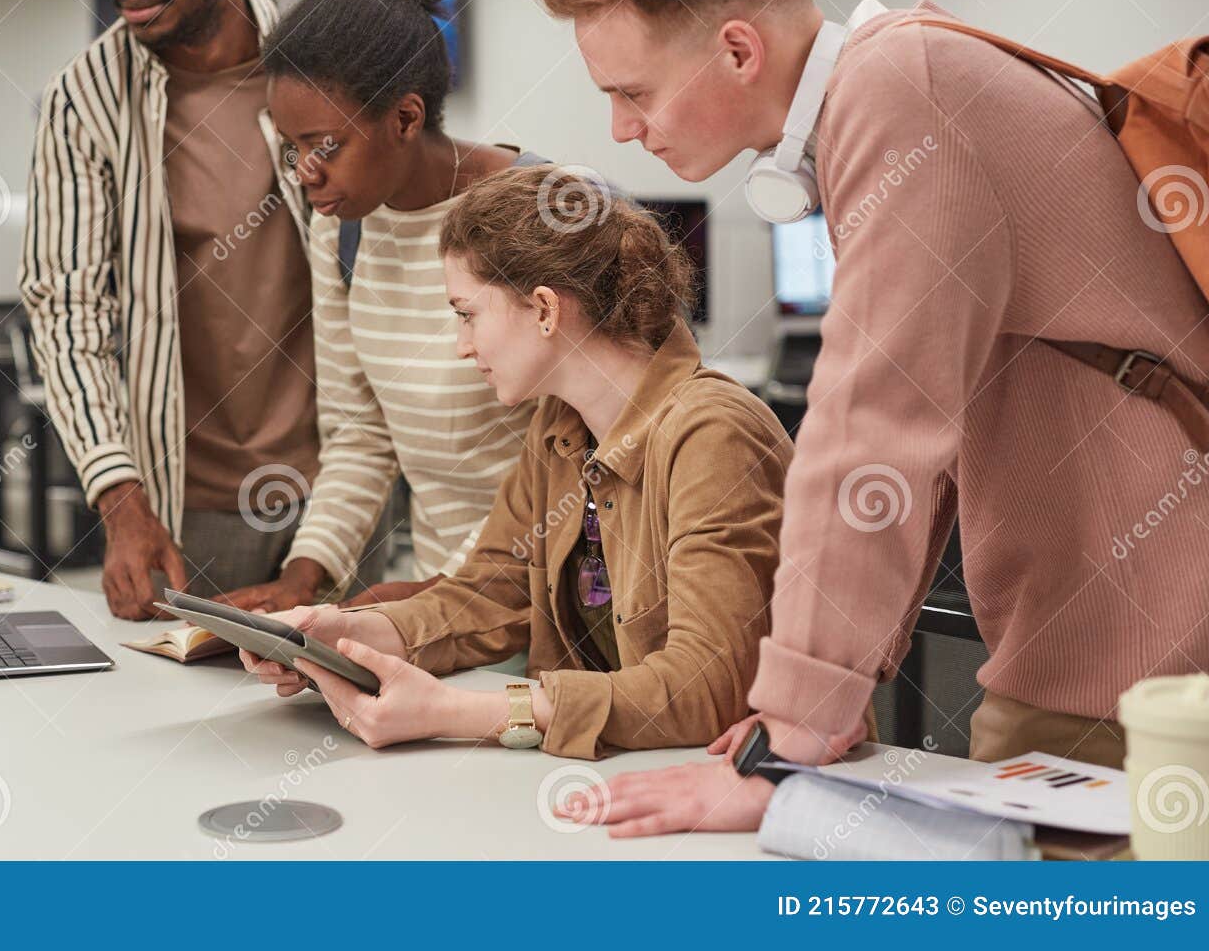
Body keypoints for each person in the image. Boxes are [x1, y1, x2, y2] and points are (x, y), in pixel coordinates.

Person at [528, 0, 1209, 834]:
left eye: (631, 90)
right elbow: (917, 429)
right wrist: (821, 697)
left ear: (736, 50)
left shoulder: (901, 89)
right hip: (1109, 621)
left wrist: (791, 728)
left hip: (1138, 644)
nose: (621, 127)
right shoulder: (903, 78)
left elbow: (870, 428)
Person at [239, 165, 797, 759]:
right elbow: (490, 590)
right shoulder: (559, 426)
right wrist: (347, 634)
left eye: (466, 313)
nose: (462, 345)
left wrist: (455, 713)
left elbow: (703, 687)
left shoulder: (714, 435)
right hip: (631, 779)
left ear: (545, 310)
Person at [20, 0, 321, 618]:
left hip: (340, 487)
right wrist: (121, 503)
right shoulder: (83, 100)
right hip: (182, 505)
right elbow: (68, 308)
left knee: (368, 716)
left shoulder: (320, 45)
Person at [217, 0, 546, 612]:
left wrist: (454, 589)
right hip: (450, 602)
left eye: (323, 144)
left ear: (405, 118)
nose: (305, 173)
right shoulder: (343, 229)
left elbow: (598, 454)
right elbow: (362, 432)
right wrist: (303, 575)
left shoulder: (540, 214)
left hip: (559, 598)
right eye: (290, 147)